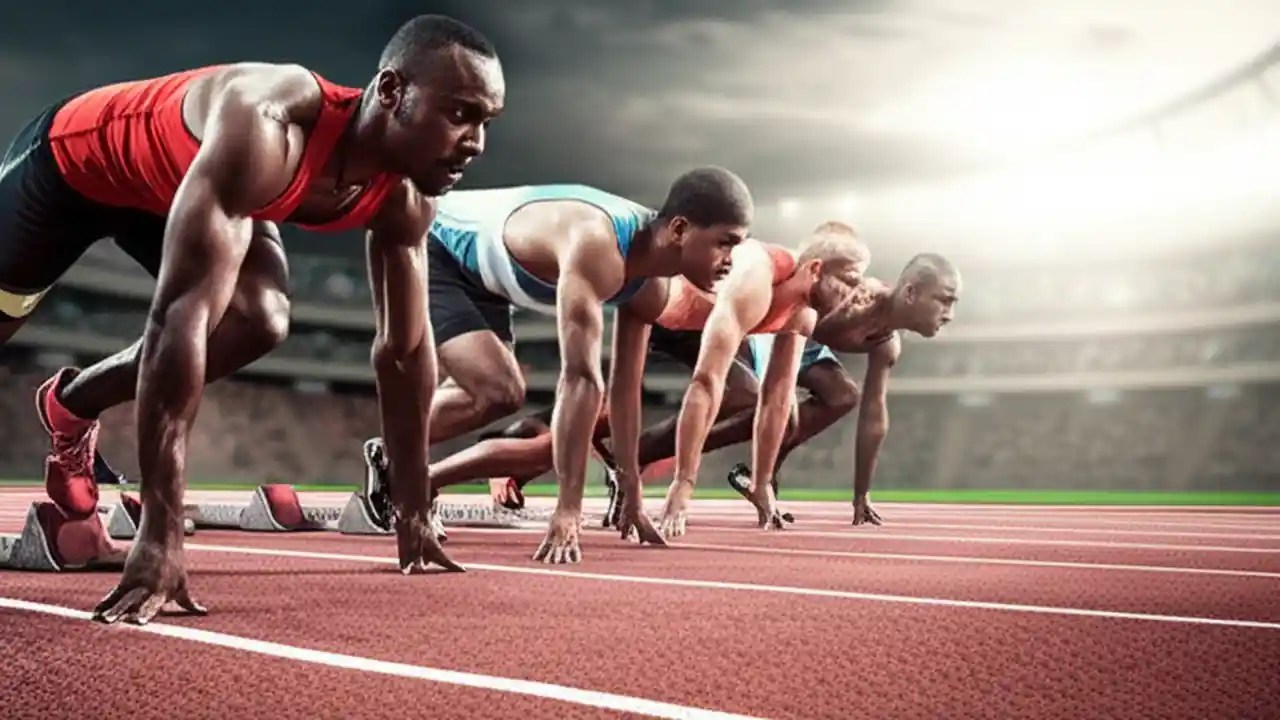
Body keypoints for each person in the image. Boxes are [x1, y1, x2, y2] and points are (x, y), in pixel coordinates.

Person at [0, 14, 505, 623]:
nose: (475, 142)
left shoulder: (408, 199)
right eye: (459, 114)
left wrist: (414, 505)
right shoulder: (268, 126)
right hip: (70, 169)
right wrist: (160, 534)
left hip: (176, 190)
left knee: (261, 318)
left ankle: (72, 402)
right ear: (392, 92)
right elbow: (177, 319)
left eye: (484, 122)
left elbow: (403, 350)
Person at [385, 168, 753, 563]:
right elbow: (579, 379)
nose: (730, 261)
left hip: (486, 277)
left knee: (499, 393)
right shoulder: (598, 246)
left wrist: (632, 491)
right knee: (499, 391)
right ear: (679, 229)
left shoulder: (652, 285)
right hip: (434, 241)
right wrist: (568, 510)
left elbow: (625, 389)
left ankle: (394, 455)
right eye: (724, 243)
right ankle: (393, 456)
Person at [422, 222, 871, 542]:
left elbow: (777, 401)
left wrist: (762, 485)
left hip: (691, 326)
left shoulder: (804, 313)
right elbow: (703, 384)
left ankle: (616, 459)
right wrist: (682, 486)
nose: (854, 295)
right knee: (588, 418)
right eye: (848, 281)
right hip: (654, 305)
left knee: (750, 394)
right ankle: (442, 472)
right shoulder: (756, 275)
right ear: (815, 269)